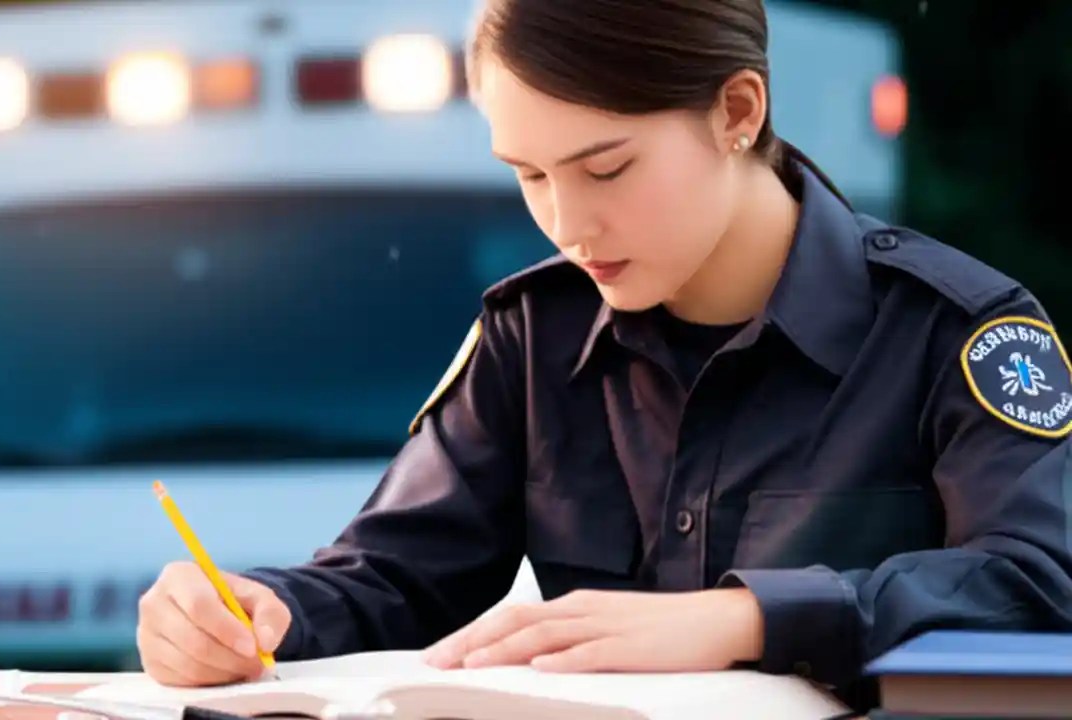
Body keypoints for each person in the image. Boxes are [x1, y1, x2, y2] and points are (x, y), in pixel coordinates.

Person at [135, 0, 1072, 710]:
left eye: (606, 168)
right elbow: (392, 576)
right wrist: (258, 610)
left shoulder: (955, 332)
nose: (567, 224)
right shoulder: (533, 337)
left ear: (738, 110)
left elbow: (1040, 578)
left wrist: (743, 618)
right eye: (529, 175)